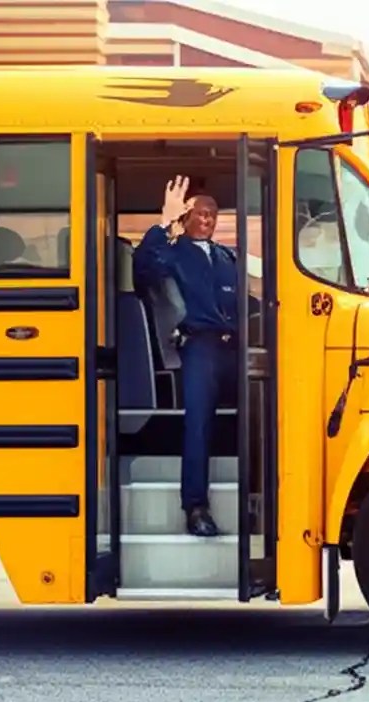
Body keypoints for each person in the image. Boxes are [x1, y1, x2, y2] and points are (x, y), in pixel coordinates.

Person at [133, 175, 242, 537]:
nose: (207, 219)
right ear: (186, 217)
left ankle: (258, 501)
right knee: (198, 424)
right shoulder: (173, 251)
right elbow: (143, 270)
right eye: (199, 213)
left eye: (212, 213)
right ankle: (195, 508)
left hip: (235, 347)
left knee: (264, 415)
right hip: (200, 347)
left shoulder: (229, 257)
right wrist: (165, 222)